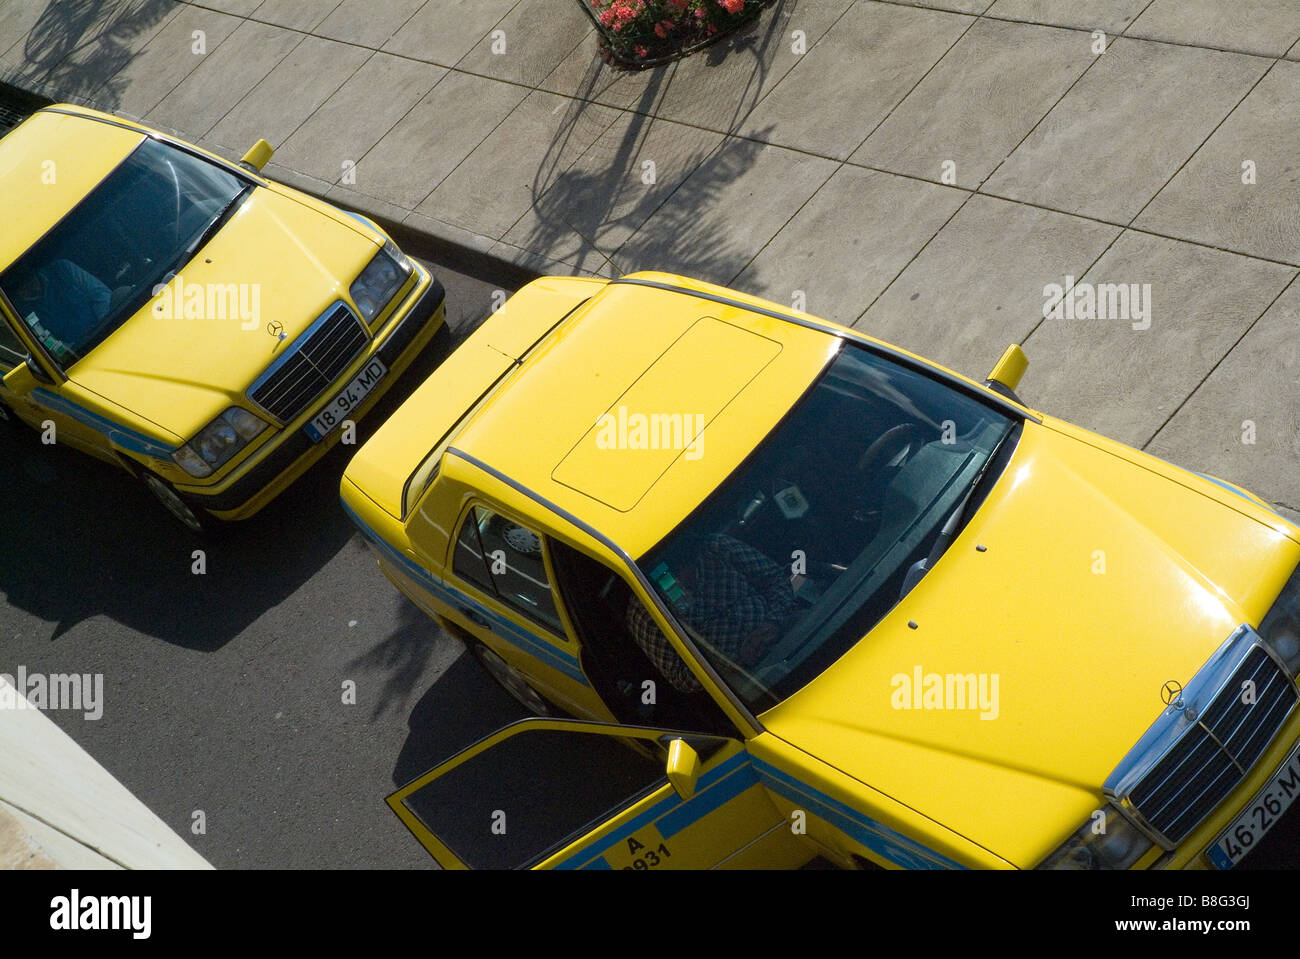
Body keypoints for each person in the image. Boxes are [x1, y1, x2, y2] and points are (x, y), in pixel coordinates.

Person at [626, 533, 796, 693]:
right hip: (742, 680)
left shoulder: (716, 547)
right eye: (665, 578)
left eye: (688, 573)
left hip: (785, 633)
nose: (679, 586)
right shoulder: (645, 611)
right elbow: (679, 676)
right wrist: (733, 661)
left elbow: (776, 578)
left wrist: (773, 621)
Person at [7, 258, 111, 356]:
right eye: (16, 282)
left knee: (123, 292)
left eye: (24, 274)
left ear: (29, 268)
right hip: (79, 351)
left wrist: (105, 327)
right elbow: (49, 345)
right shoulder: (18, 312)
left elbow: (100, 294)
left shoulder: (62, 269)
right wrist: (76, 351)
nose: (24, 281)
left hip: (106, 326)